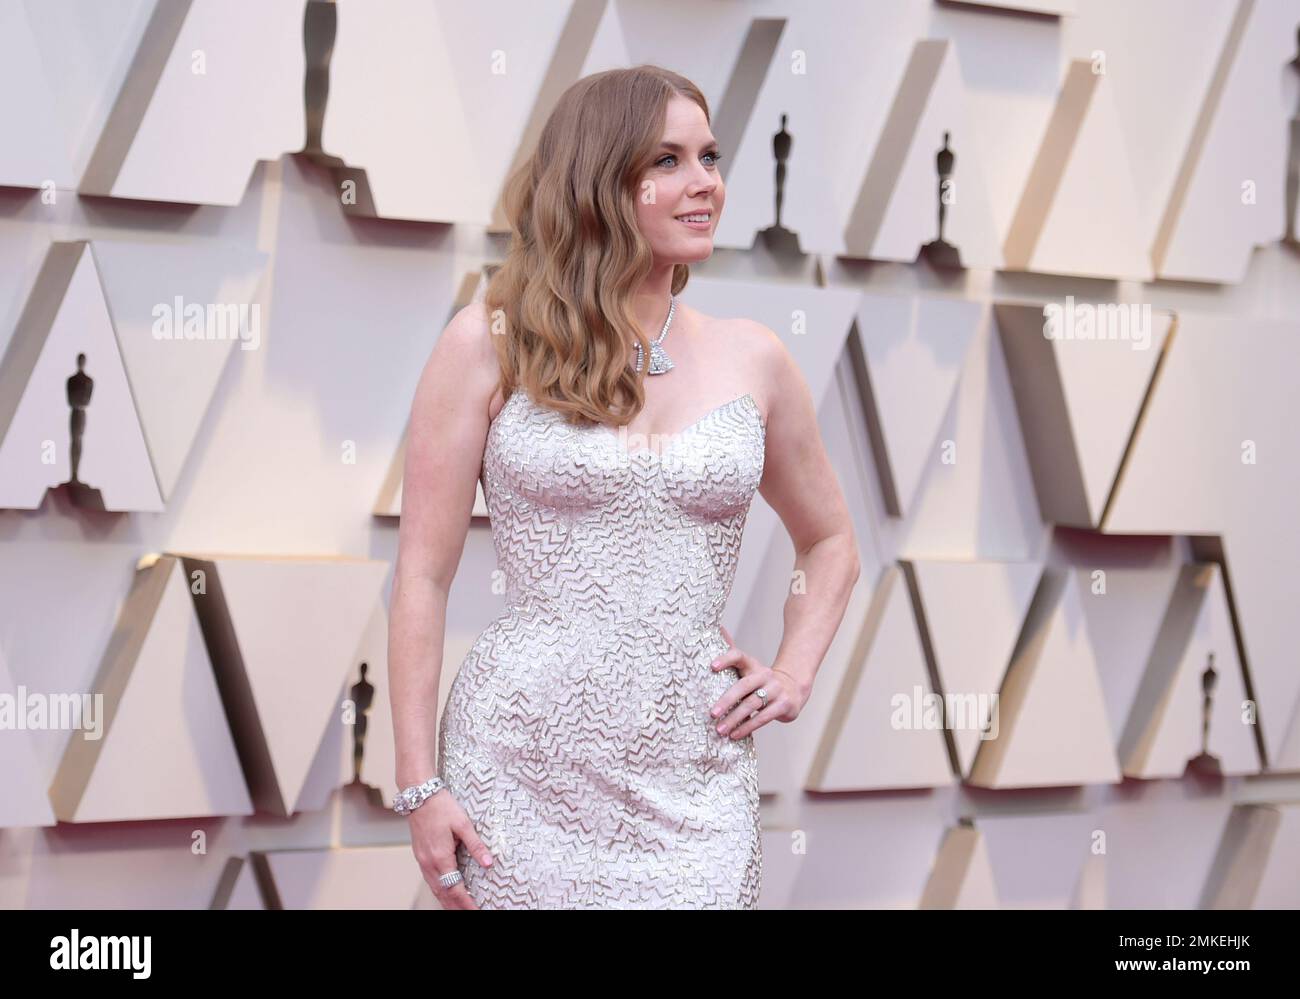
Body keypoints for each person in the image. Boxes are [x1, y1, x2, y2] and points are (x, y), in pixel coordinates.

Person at [388, 65, 860, 909]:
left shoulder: (756, 356)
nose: (704, 182)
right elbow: (422, 575)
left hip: (697, 775)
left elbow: (830, 540)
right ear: (602, 179)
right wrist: (421, 785)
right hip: (519, 768)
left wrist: (793, 671)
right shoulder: (490, 341)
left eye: (710, 157)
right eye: (669, 161)